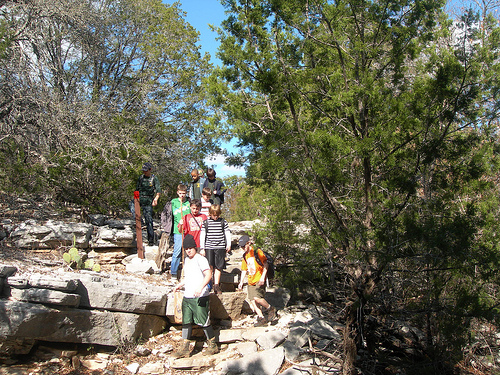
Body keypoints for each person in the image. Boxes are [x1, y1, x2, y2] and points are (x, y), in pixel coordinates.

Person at [172, 234, 218, 358]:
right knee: (186, 321)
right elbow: (188, 277)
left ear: (195, 247)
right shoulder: (187, 260)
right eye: (186, 248)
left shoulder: (200, 259)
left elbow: (208, 274)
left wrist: (201, 287)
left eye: (191, 248)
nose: (188, 250)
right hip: (188, 296)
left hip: (200, 296)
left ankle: (213, 345)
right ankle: (185, 348)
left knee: (203, 320)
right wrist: (179, 285)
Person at [237, 235, 277, 326]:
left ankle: (270, 308)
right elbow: (244, 269)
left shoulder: (256, 251)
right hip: (250, 281)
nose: (242, 248)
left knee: (257, 298)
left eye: (243, 246)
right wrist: (241, 282)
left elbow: (265, 264)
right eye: (241, 246)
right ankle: (261, 318)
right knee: (253, 301)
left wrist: (263, 277)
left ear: (248, 243)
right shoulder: (245, 256)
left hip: (259, 279)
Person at [199, 204, 231, 295]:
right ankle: (209, 283)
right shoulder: (206, 222)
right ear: (210, 214)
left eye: (217, 215)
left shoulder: (223, 222)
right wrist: (202, 248)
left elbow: (227, 233)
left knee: (219, 266)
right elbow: (203, 235)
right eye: (214, 215)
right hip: (209, 247)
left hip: (220, 246)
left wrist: (228, 244)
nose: (216, 217)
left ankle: (216, 284)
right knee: (210, 266)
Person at [160, 184, 191, 278]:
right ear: (177, 192)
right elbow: (164, 214)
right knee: (177, 251)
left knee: (189, 252)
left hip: (188, 231)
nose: (182, 195)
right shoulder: (172, 203)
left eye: (184, 193)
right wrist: (166, 226)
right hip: (177, 231)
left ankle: (188, 273)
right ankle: (173, 273)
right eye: (180, 193)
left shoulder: (189, 202)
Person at [136, 162, 161, 246]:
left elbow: (158, 191)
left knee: (149, 220)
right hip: (140, 199)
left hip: (148, 200)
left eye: (146, 170)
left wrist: (156, 199)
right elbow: (137, 189)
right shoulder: (141, 178)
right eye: (143, 171)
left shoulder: (154, 178)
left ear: (150, 170)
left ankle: (151, 239)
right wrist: (136, 200)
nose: (144, 172)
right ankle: (141, 223)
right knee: (132, 207)